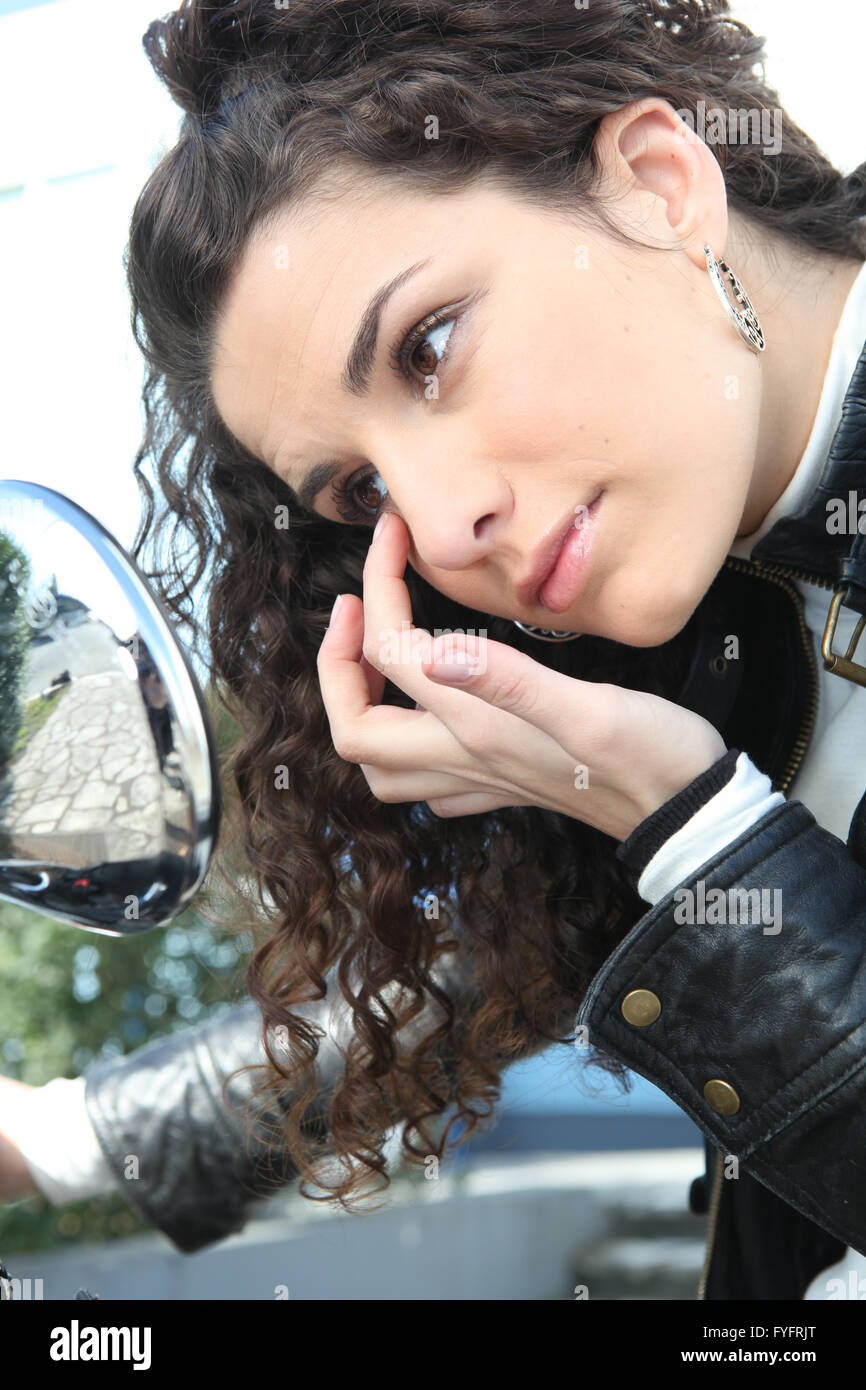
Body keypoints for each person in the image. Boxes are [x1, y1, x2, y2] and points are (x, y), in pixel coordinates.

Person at [3, 0, 866, 1300]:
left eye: (430, 346)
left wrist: (690, 827)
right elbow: (497, 962)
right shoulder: (712, 622)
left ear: (656, 182)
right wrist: (55, 1136)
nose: (443, 519)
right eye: (358, 490)